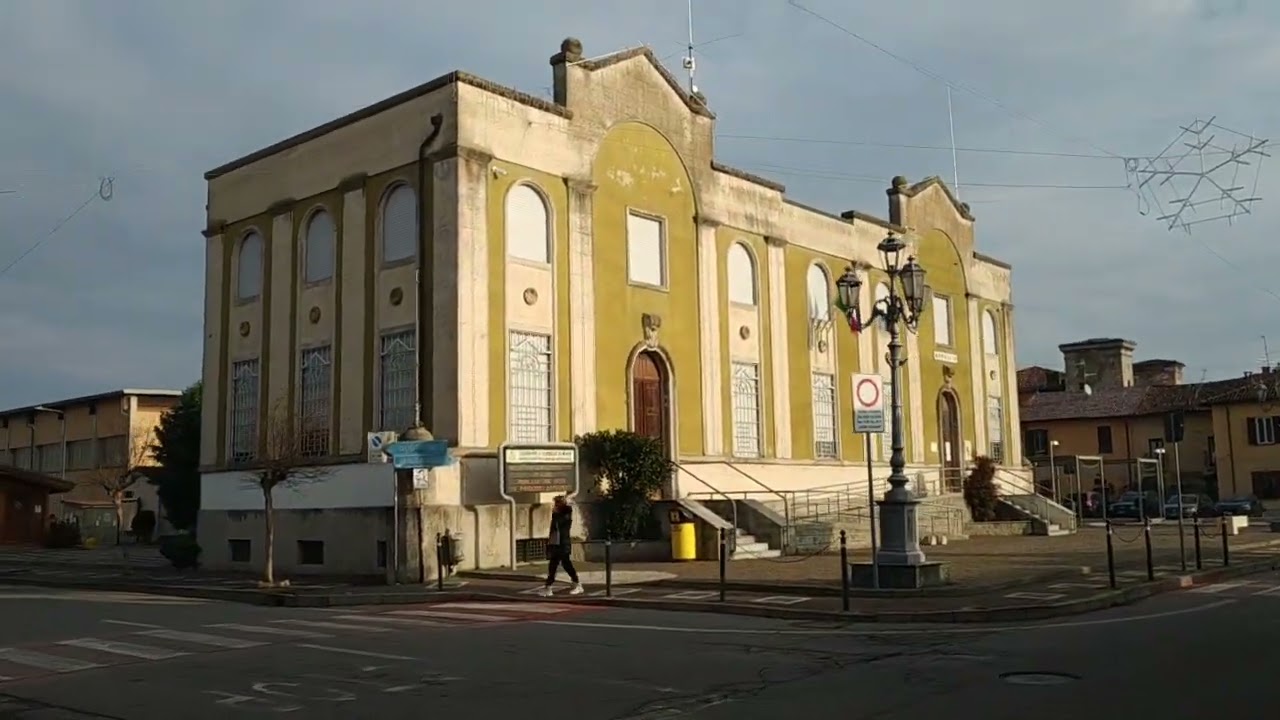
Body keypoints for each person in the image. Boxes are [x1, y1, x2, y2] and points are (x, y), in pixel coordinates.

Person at [539, 495, 584, 596]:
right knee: (553, 565)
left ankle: (577, 583)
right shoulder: (556, 514)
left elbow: (561, 526)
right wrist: (550, 543)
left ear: (561, 504)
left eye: (556, 503)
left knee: (566, 564)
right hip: (555, 543)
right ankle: (548, 587)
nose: (554, 506)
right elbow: (553, 530)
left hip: (563, 544)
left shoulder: (566, 513)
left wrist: (556, 514)